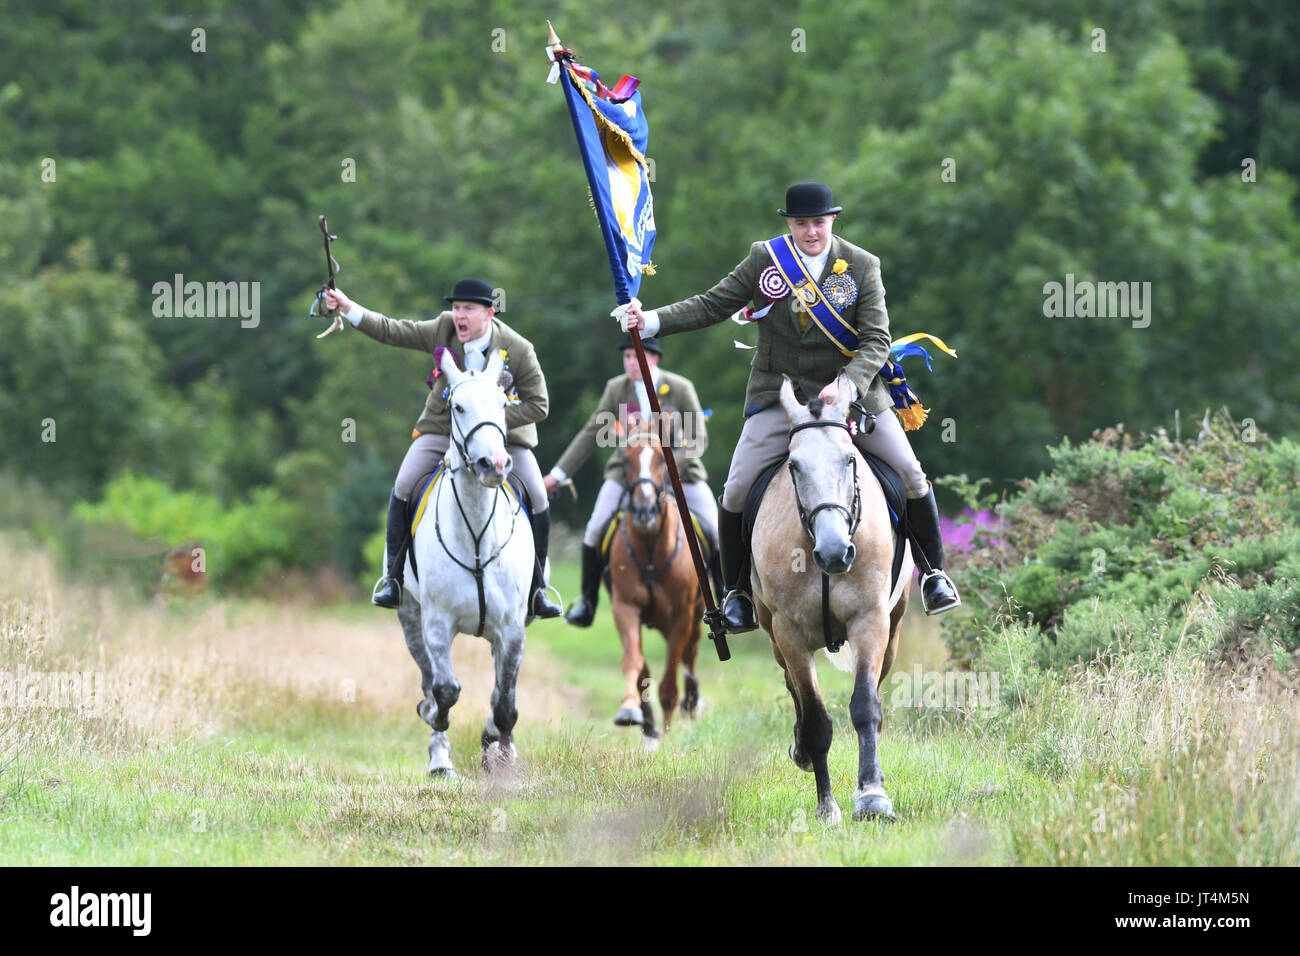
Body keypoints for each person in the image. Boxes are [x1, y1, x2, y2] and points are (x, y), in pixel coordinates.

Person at [619, 182, 961, 633]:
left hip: (852, 400)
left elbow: (876, 339)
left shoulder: (862, 265)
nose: (811, 232)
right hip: (780, 398)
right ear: (790, 224)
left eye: (818, 222)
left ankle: (933, 575)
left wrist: (849, 386)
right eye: (802, 224)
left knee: (912, 473)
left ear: (832, 221)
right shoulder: (766, 258)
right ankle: (738, 592)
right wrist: (653, 322)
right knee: (737, 487)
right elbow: (714, 304)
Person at [324, 278, 563, 619]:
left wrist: (489, 421)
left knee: (538, 496)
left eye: (468, 309)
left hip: (502, 437)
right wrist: (348, 308)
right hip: (442, 429)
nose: (459, 315)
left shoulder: (519, 348)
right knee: (404, 485)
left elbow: (540, 405)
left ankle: (538, 590)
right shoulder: (442, 329)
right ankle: (392, 577)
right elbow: (393, 330)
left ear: (490, 313)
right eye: (456, 307)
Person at [543, 334, 719, 626]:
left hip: (680, 473)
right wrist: (557, 475)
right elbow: (591, 433)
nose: (631, 363)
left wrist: (671, 466)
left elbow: (698, 439)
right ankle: (587, 602)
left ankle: (728, 598)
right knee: (595, 528)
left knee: (714, 527)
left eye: (637, 356)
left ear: (654, 358)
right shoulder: (616, 389)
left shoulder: (679, 388)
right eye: (626, 357)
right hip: (628, 475)